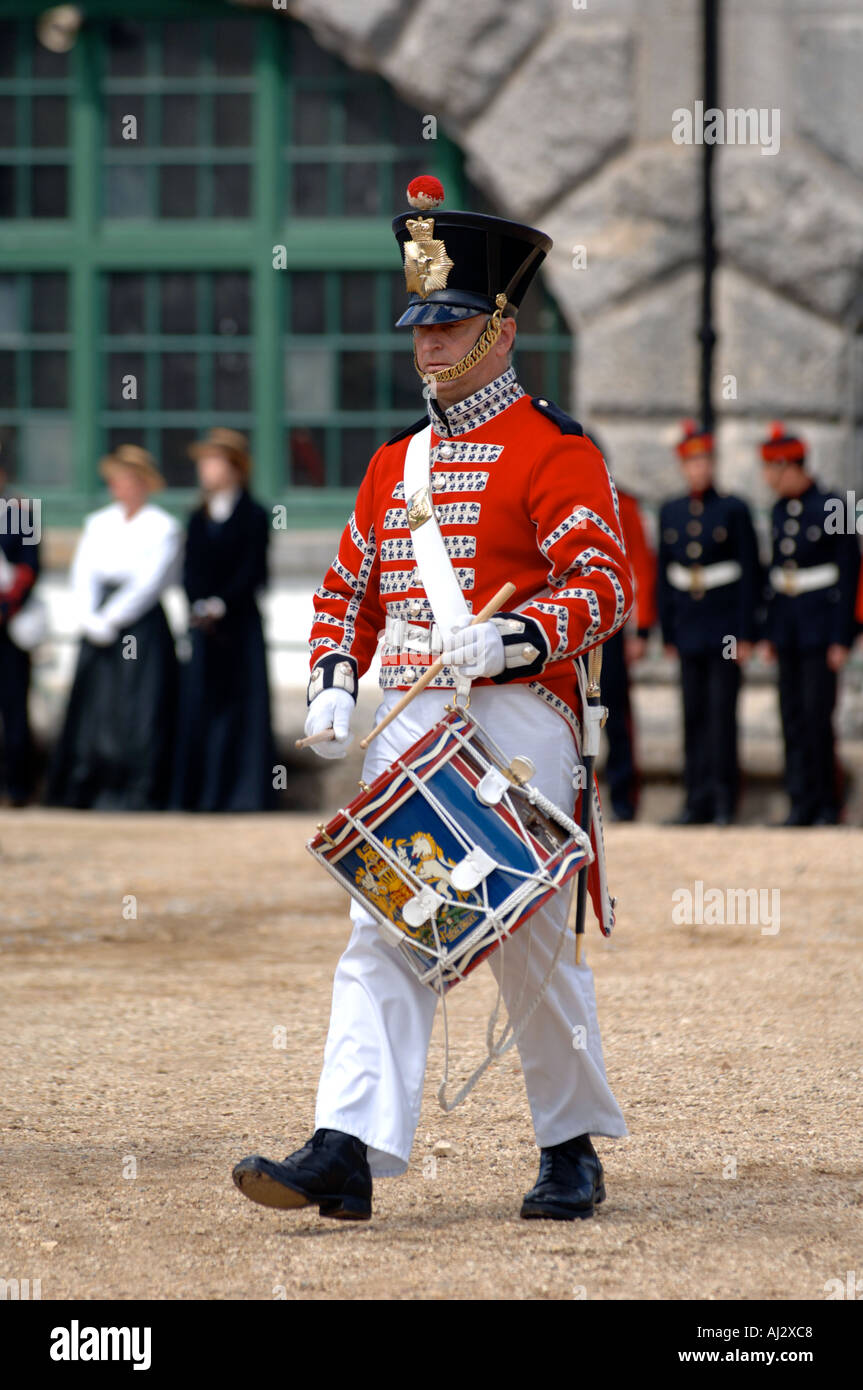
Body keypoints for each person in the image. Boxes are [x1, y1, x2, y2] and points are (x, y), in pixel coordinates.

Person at [232, 175, 635, 1223]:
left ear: (499, 327)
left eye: (449, 323)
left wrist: (505, 636)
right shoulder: (389, 465)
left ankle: (567, 1144)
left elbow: (601, 587)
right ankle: (347, 1146)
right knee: (387, 922)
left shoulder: (555, 450)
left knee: (528, 940)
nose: (427, 345)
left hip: (513, 722)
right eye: (420, 323)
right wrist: (328, 676)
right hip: (408, 715)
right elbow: (347, 589)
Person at [45, 445, 181, 810]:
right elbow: (83, 572)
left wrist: (113, 618)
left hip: (141, 626)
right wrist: (90, 617)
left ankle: (137, 789)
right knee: (95, 706)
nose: (121, 487)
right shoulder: (98, 522)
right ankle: (87, 785)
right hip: (97, 622)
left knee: (139, 708)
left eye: (128, 480)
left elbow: (149, 583)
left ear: (143, 484)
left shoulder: (163, 526)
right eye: (116, 480)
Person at [657, 421, 761, 825]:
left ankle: (723, 800)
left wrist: (747, 633)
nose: (698, 469)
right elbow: (668, 575)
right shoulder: (672, 510)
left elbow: (751, 574)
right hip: (688, 627)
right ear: (683, 467)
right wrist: (668, 632)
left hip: (725, 629)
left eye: (704, 461)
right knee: (692, 714)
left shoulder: (734, 509)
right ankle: (694, 799)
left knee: (722, 715)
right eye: (691, 463)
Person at [758, 423, 860, 825]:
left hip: (822, 630)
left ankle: (827, 804)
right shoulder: (781, 509)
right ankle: (799, 802)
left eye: (771, 470)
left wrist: (843, 636)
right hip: (788, 629)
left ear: (789, 466)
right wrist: (768, 632)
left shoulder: (833, 506)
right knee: (792, 716)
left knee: (820, 717)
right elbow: (777, 576)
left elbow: (850, 573)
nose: (767, 479)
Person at [171, 428, 276, 812]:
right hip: (204, 630)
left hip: (239, 628)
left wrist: (223, 604)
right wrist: (198, 603)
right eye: (203, 462)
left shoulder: (253, 515)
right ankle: (200, 795)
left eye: (213, 461)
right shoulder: (197, 516)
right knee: (200, 707)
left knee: (240, 709)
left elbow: (254, 571)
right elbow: (189, 569)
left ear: (234, 468)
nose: (206, 469)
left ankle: (241, 795)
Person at [586, 436, 657, 821]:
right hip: (569, 628)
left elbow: (640, 569)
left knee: (617, 715)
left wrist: (642, 629)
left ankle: (626, 801)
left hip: (609, 630)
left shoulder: (622, 504)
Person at [0, 450, 41, 805]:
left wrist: (5, 608)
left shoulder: (20, 513)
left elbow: (28, 570)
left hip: (8, 626)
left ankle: (17, 787)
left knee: (14, 709)